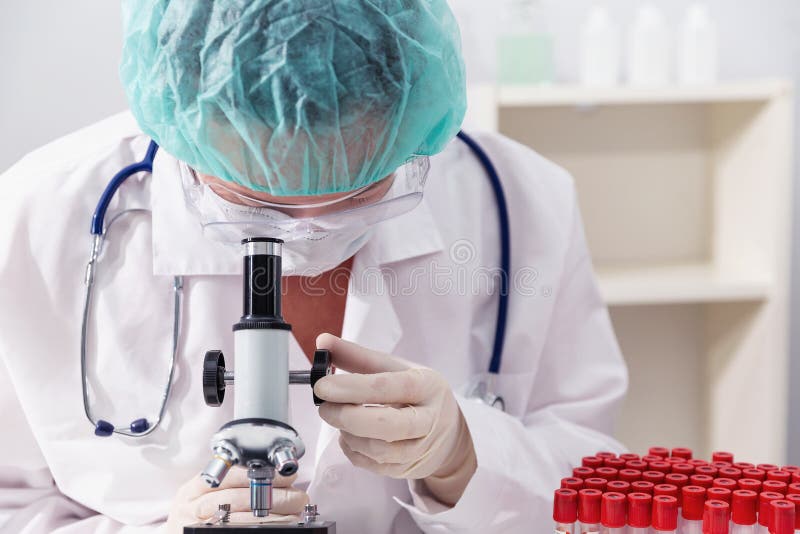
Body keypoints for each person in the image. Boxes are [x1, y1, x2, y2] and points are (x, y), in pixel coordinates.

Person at [0, 1, 628, 533]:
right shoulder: (37, 216)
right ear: (186, 119)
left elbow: (601, 476)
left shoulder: (520, 201)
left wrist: (469, 456)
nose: (305, 233)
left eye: (357, 193)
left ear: (411, 118)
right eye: (254, 200)